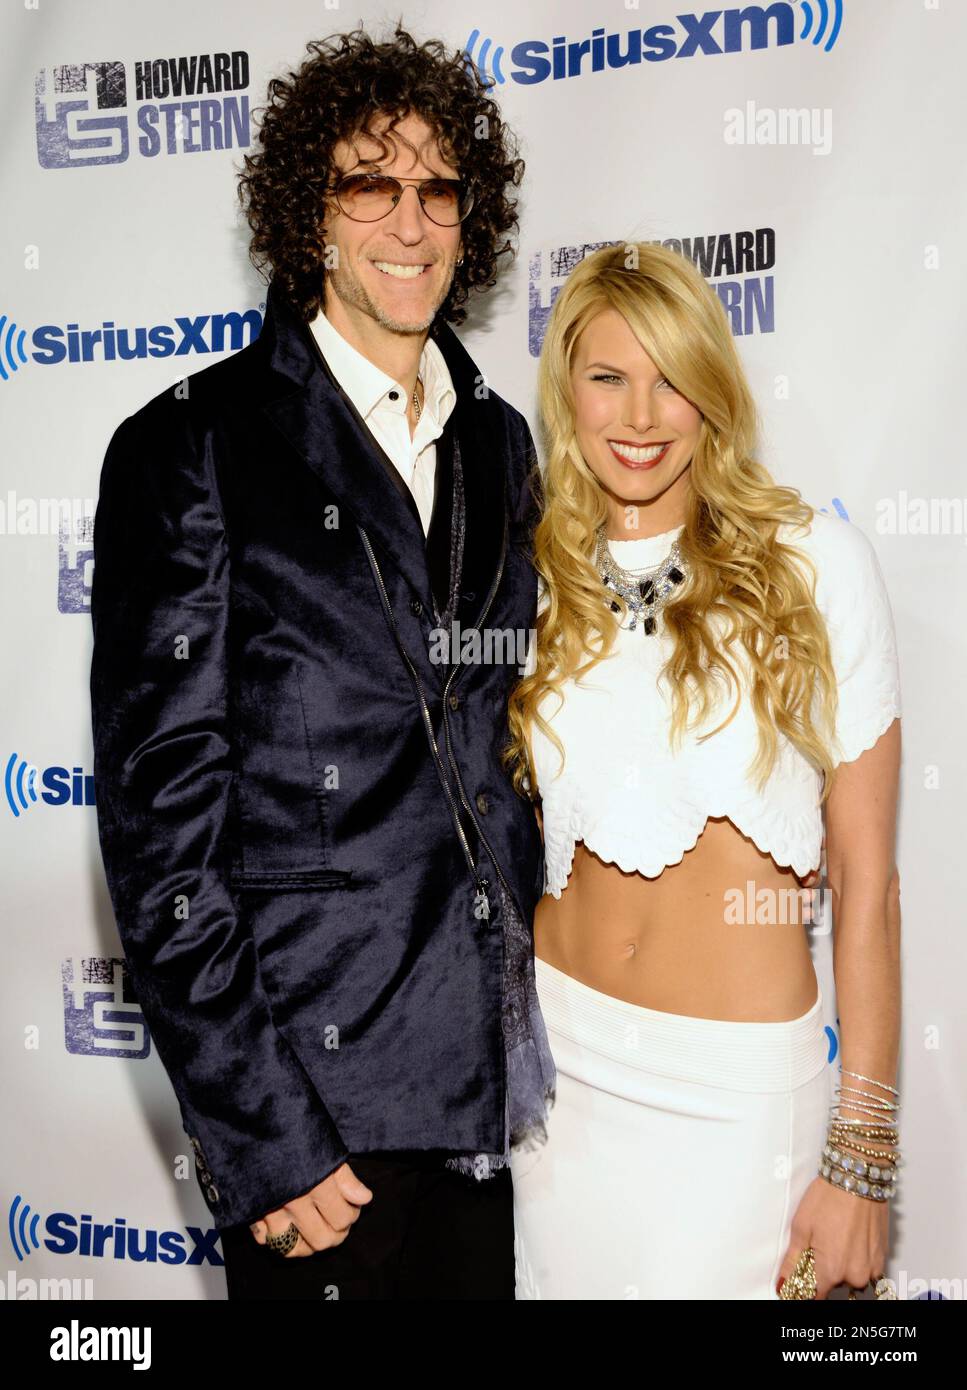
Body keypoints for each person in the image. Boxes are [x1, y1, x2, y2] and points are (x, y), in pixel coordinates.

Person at [89, 23, 555, 1302]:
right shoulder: (193, 447)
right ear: (312, 210)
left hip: (498, 1103)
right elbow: (157, 828)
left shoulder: (502, 444)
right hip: (321, 1130)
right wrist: (263, 1139)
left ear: (473, 217)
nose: (408, 223)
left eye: (438, 189)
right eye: (369, 183)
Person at [504, 241, 903, 1300]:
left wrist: (860, 1153)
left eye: (672, 377)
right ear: (565, 393)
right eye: (607, 377)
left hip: (734, 1106)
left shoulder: (814, 563)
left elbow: (869, 885)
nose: (640, 415)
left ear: (713, 393)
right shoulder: (532, 579)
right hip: (555, 1083)